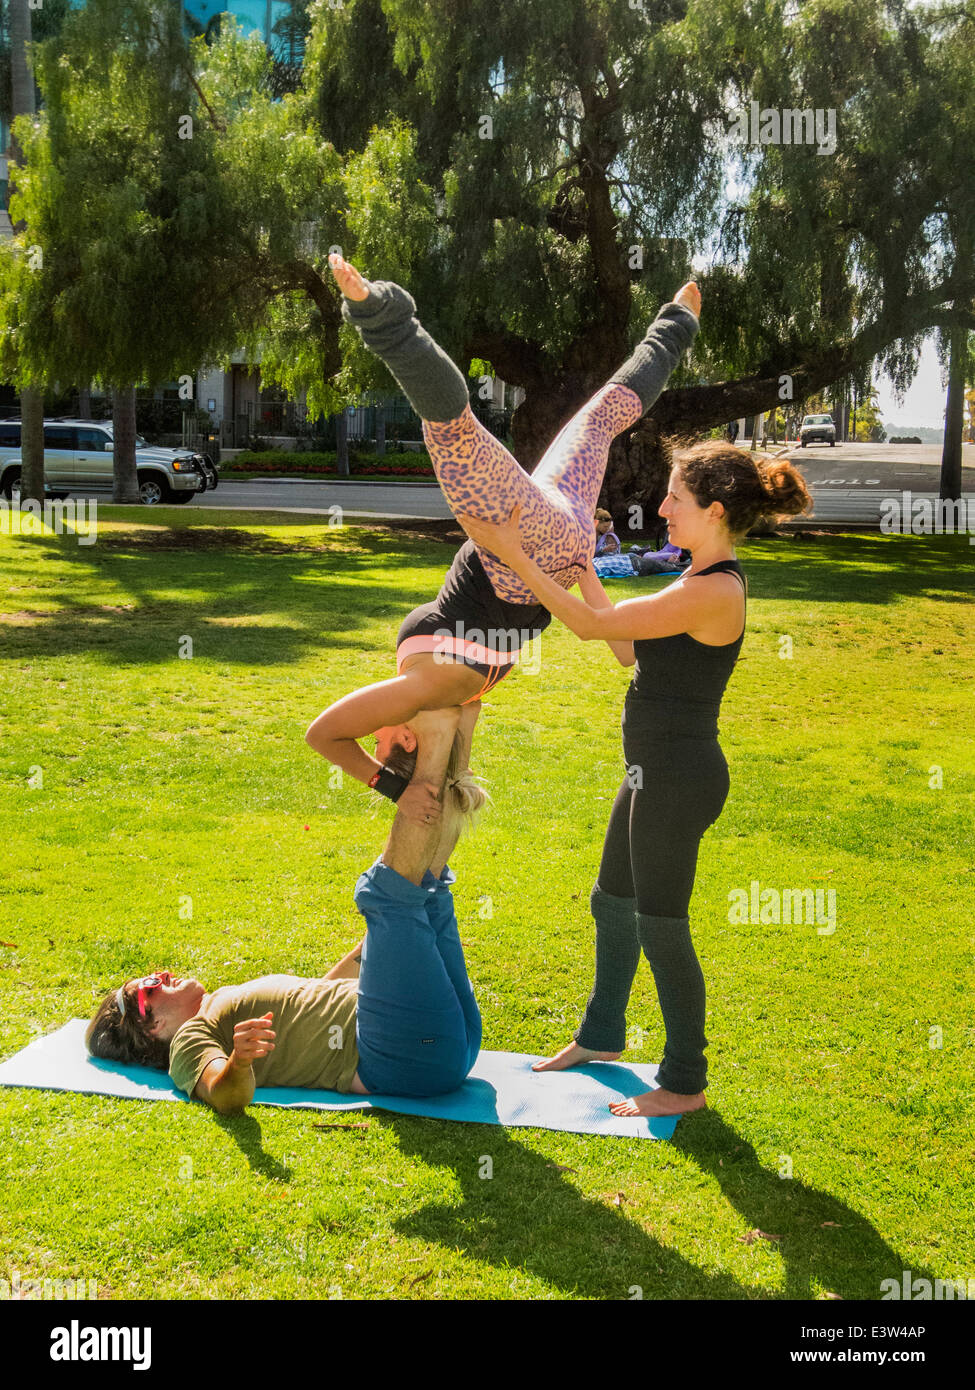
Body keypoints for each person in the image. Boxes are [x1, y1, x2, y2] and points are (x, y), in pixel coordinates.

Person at [305, 253, 701, 885]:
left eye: (375, 743)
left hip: (561, 536)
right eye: (382, 743)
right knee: (454, 430)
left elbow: (621, 652)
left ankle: (676, 325)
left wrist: (584, 566)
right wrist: (388, 786)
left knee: (602, 415)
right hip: (520, 544)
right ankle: (378, 312)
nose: (374, 736)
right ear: (405, 740)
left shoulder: (466, 701)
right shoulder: (427, 692)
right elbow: (322, 735)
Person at [456, 441, 812, 1118]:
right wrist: (583, 565)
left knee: (661, 926)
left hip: (677, 779)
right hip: (655, 773)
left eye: (673, 498)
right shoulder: (692, 582)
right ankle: (600, 1037)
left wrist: (514, 550)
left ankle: (683, 1082)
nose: (660, 508)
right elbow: (623, 645)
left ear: (711, 511)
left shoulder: (712, 590)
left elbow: (591, 628)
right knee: (610, 901)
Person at [84, 712, 484, 1109]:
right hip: (408, 1052)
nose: (163, 974)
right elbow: (224, 1096)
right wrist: (238, 1062)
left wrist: (377, 947)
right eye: (150, 986)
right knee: (385, 896)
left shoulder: (217, 1004)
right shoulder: (190, 1040)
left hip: (444, 1043)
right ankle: (436, 739)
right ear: (151, 1027)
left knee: (424, 891)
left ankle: (459, 725)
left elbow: (319, 993)